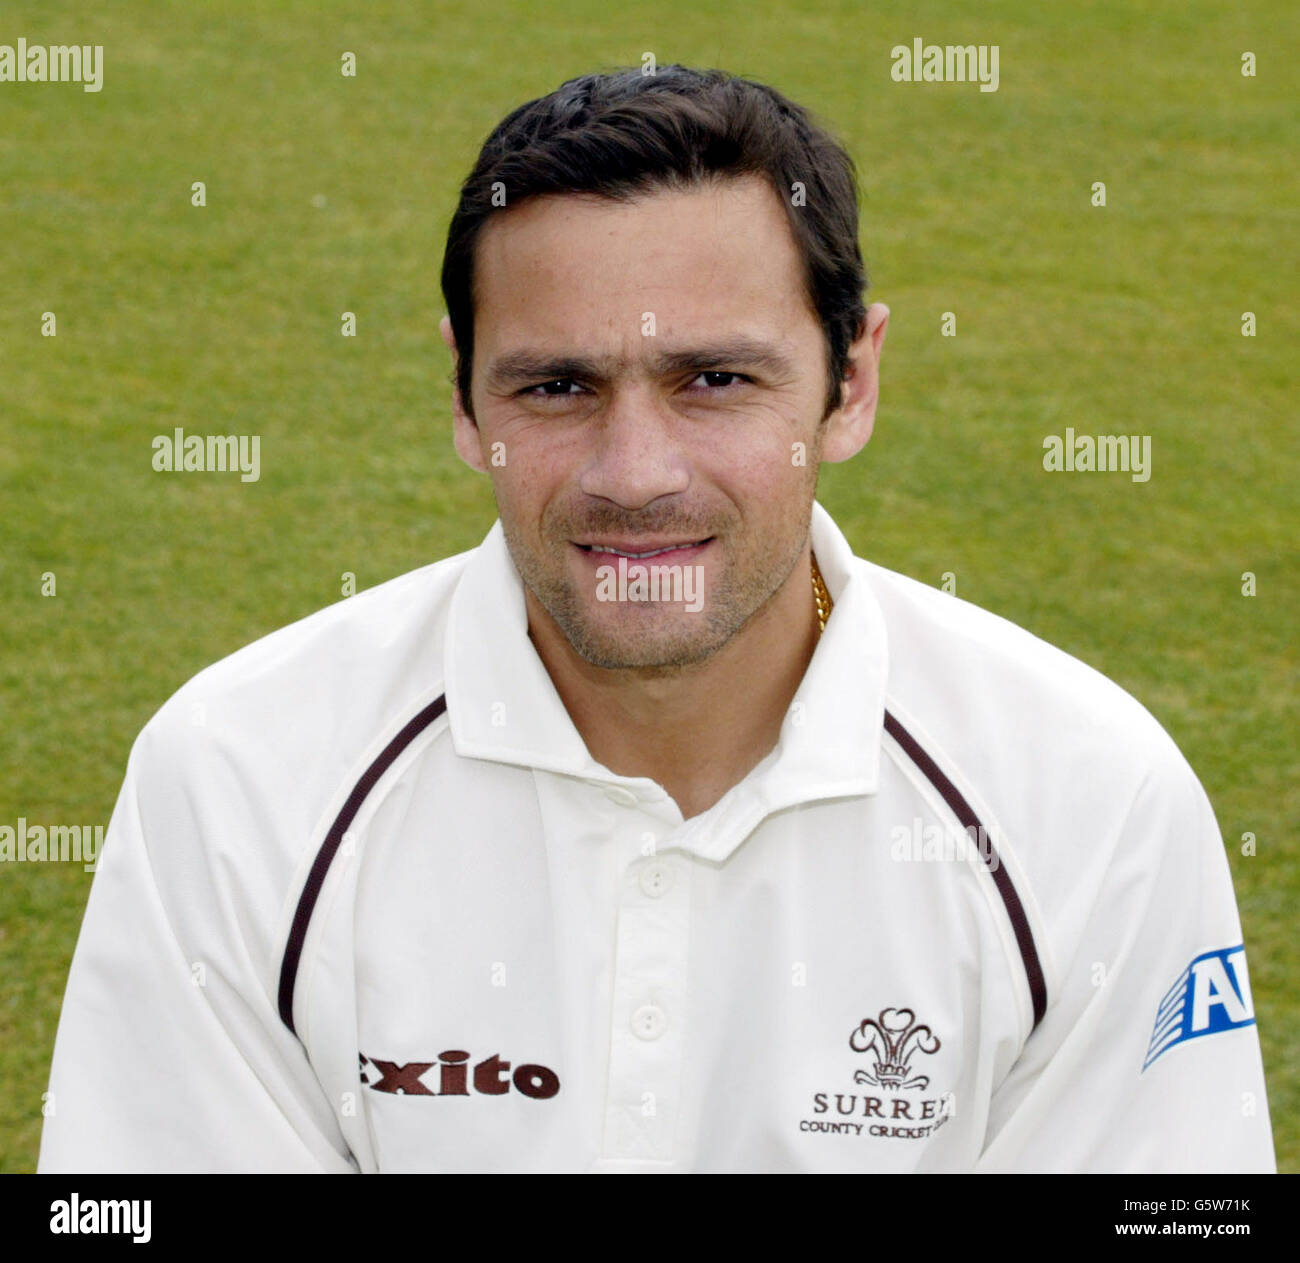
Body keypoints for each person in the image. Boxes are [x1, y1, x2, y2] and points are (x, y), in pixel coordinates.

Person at [39, 65, 1274, 1173]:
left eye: (716, 380)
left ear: (851, 383)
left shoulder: (1090, 801)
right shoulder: (236, 780)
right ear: (467, 406)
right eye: (558, 386)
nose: (636, 475)